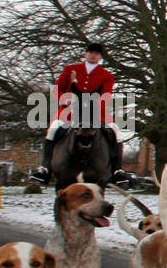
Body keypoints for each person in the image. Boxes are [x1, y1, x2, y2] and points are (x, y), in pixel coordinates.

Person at [30, 42, 130, 185]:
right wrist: (64, 100)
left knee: (116, 132)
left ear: (100, 57)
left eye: (96, 53)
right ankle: (45, 168)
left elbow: (106, 94)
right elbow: (57, 89)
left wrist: (94, 105)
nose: (93, 55)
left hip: (96, 112)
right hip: (69, 111)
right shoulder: (70, 69)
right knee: (52, 130)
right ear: (85, 54)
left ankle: (117, 171)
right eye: (90, 52)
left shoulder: (107, 75)